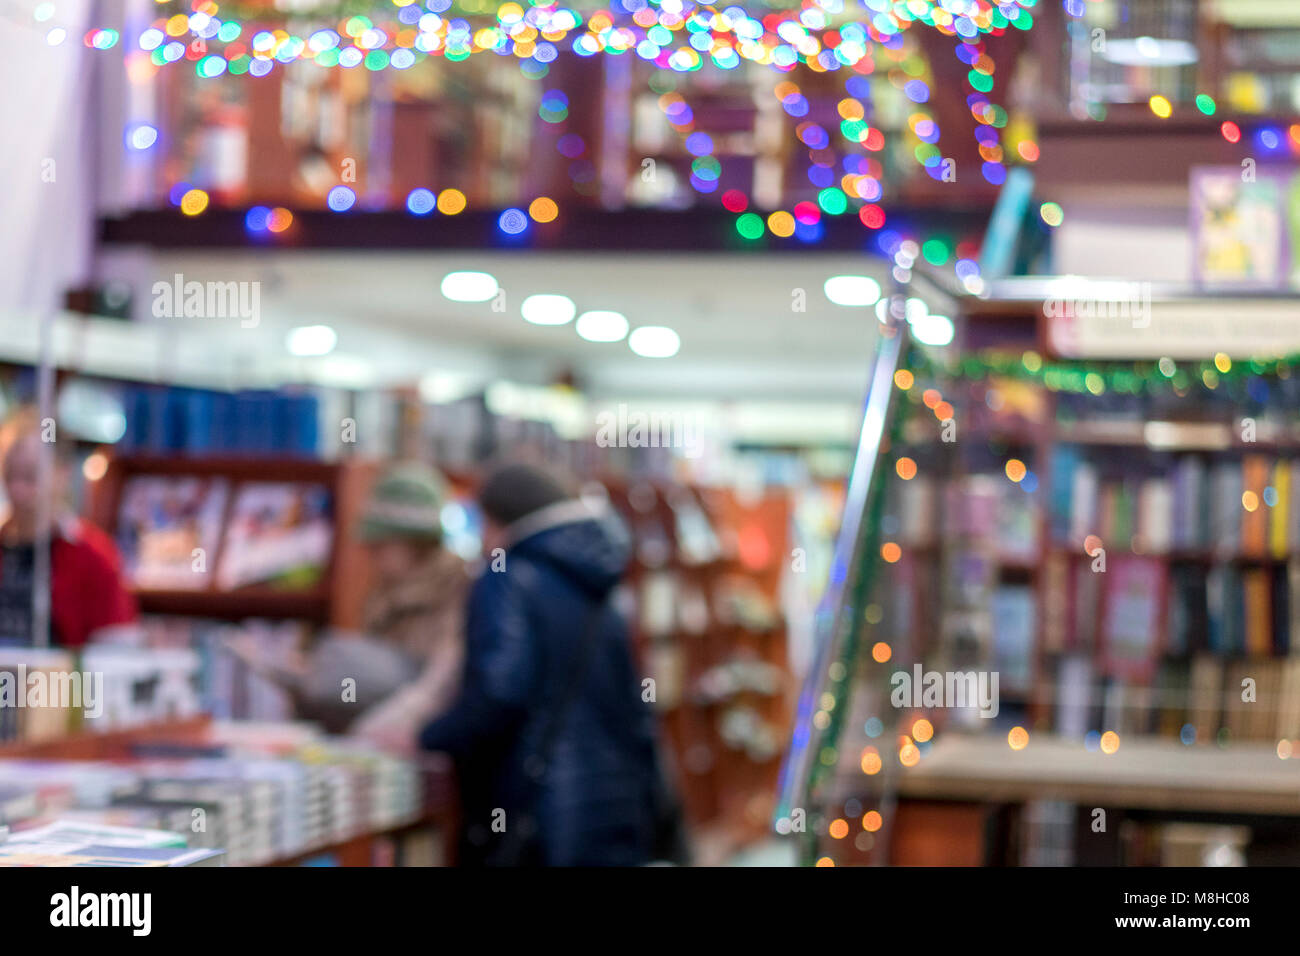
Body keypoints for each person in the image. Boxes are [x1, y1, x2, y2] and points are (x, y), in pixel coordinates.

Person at [419, 462, 665, 866]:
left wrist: (432, 737)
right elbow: (634, 706)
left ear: (498, 520)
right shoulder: (600, 581)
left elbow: (500, 692)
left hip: (540, 811)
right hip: (614, 806)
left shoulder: (506, 576)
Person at [0, 409, 136, 647]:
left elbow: (116, 649)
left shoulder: (93, 555)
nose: (18, 491)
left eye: (30, 478)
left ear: (62, 473)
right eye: (10, 476)